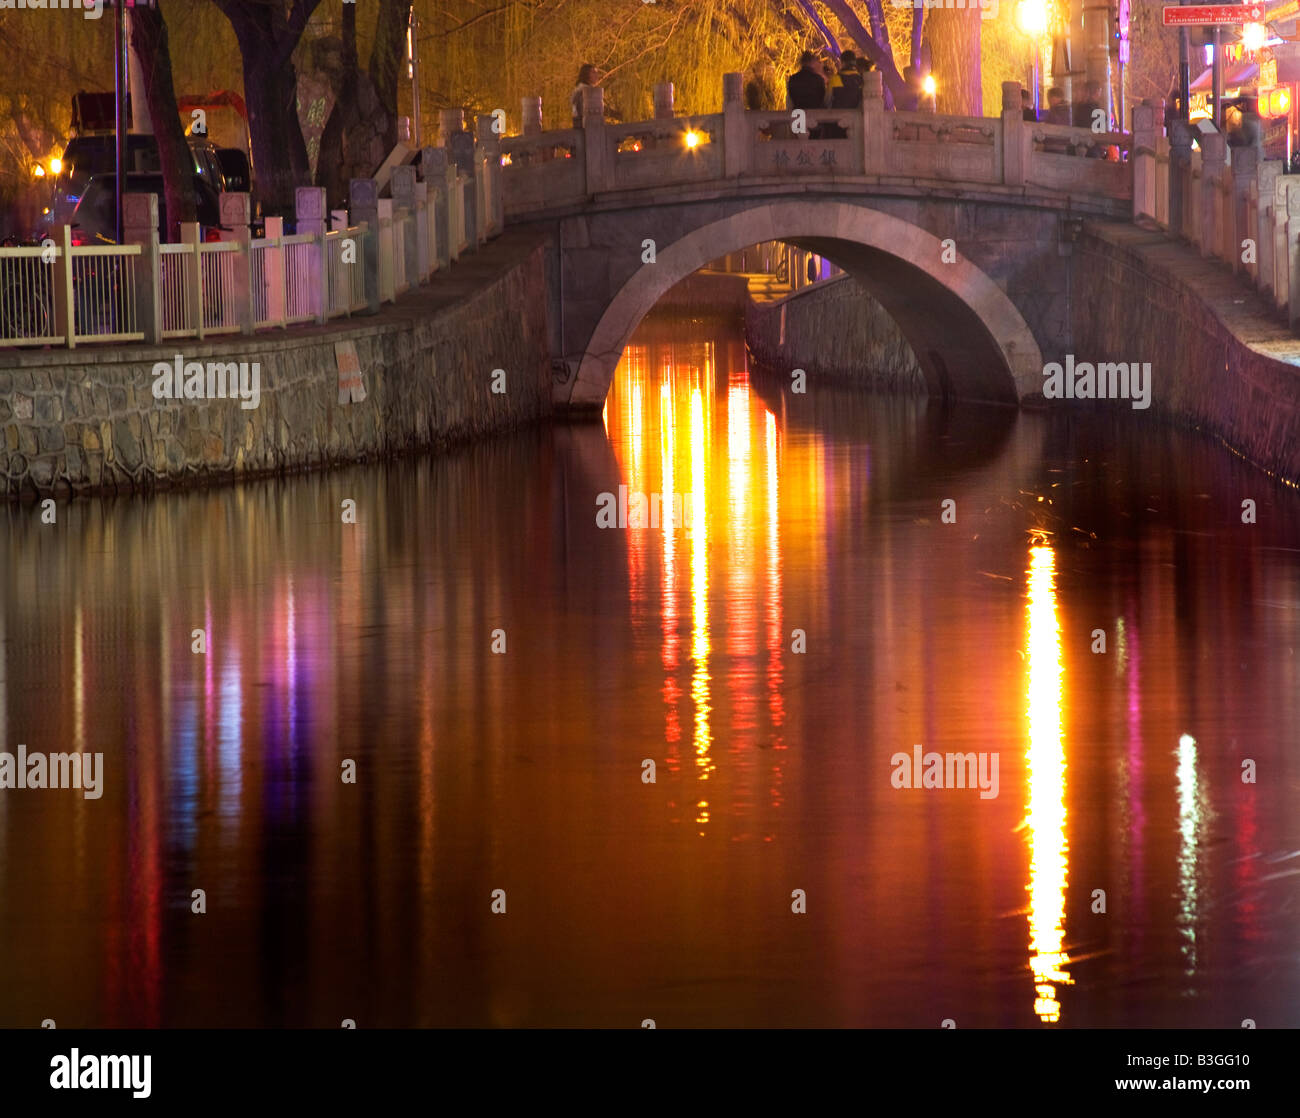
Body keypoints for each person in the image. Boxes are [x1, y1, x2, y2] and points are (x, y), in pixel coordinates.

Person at [571, 64, 602, 128]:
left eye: (597, 72)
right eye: (593, 72)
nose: (596, 75)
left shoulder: (579, 90)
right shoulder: (584, 92)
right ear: (586, 74)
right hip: (586, 128)